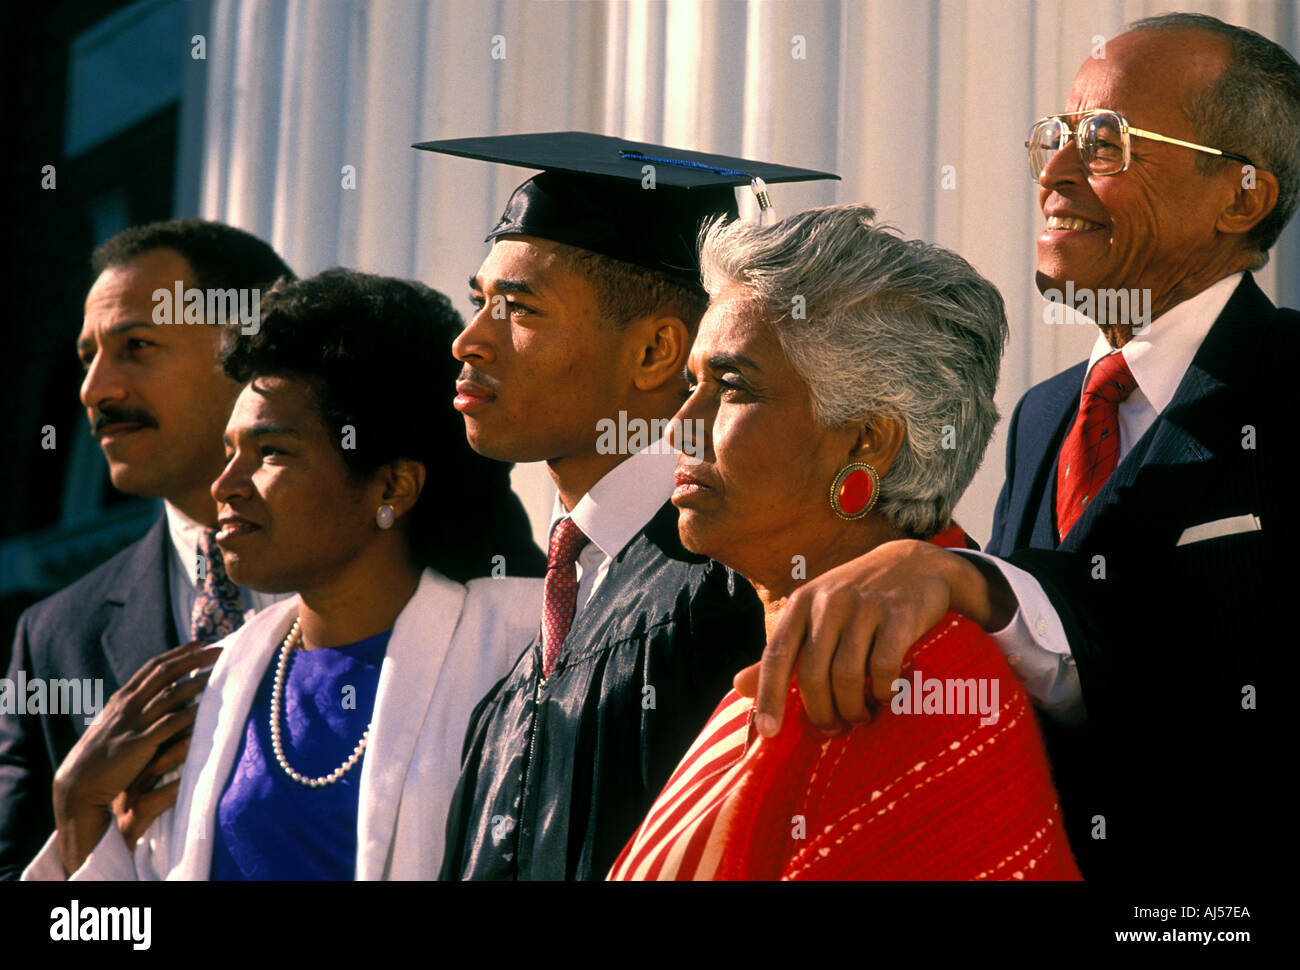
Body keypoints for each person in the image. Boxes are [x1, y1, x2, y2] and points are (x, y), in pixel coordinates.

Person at [741, 13, 1297, 882]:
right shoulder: (1047, 415)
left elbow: (1217, 675)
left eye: (1107, 142)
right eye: (1057, 137)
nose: (1055, 172)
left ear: (1241, 195)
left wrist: (971, 581)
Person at [21, 269, 544, 880]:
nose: (224, 486)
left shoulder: (525, 649)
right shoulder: (212, 685)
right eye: (228, 452)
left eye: (271, 452)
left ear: (393, 486)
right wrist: (80, 809)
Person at [608, 204, 1078, 880]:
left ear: (866, 442)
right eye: (691, 384)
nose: (680, 426)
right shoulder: (793, 666)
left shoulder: (922, 688)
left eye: (732, 385)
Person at [417, 133, 835, 880]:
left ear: (654, 353)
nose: (468, 341)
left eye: (518, 309)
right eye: (477, 301)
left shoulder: (729, 591)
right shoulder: (555, 622)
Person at [0, 220, 295, 879]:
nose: (94, 389)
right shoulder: (52, 642)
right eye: (88, 357)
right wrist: (84, 825)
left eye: (136, 346)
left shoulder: (414, 561)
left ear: (254, 352)